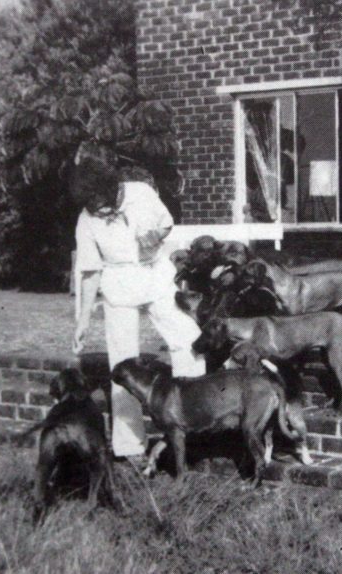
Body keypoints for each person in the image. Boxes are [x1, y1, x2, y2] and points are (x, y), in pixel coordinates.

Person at [72, 156, 206, 460]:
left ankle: (193, 427)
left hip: (155, 276)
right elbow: (91, 271)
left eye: (100, 200)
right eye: (90, 203)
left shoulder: (142, 192)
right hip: (118, 283)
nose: (97, 209)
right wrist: (82, 321)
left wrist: (155, 236)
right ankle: (130, 446)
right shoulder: (86, 218)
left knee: (188, 339)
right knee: (122, 367)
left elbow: (166, 222)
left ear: (112, 187)